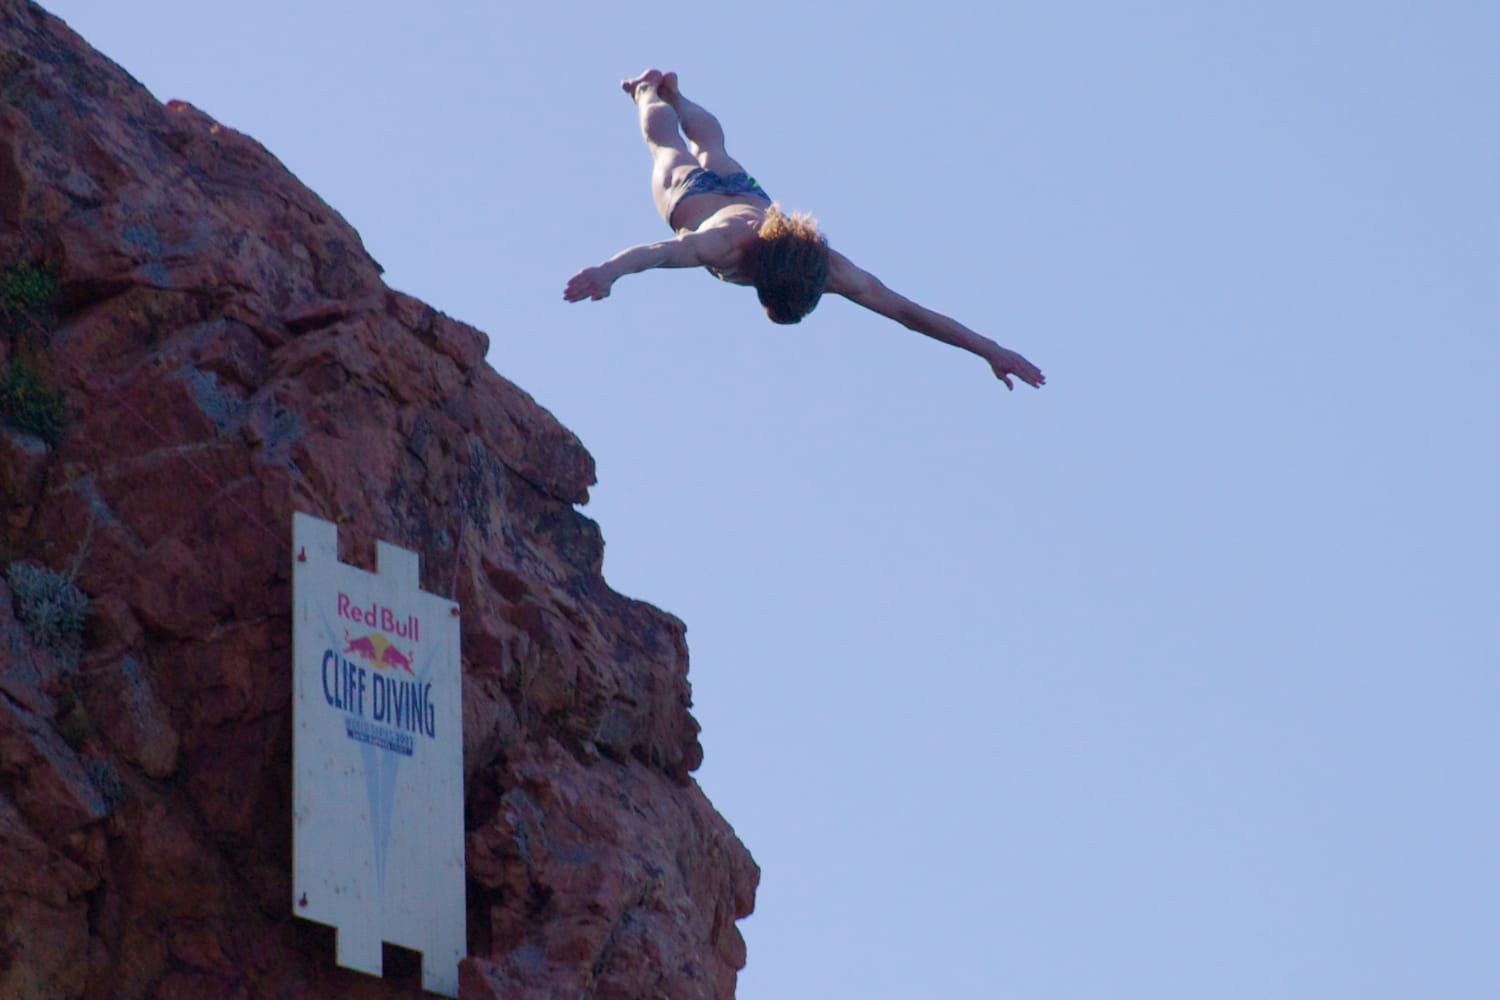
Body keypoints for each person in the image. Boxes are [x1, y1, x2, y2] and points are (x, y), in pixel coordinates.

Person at [564, 69, 1045, 390]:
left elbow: (910, 313)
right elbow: (655, 253)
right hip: (695, 197)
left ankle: (676, 95)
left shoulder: (829, 269)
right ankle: (648, 90)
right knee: (667, 145)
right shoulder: (724, 248)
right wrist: (609, 273)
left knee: (712, 144)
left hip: (748, 197)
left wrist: (989, 348)